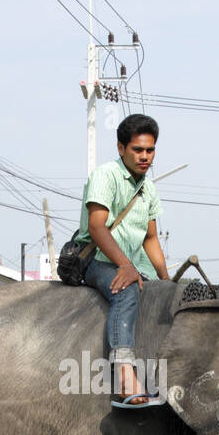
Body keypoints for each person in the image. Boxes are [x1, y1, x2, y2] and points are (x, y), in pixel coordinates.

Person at [76, 113, 169, 408]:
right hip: (97, 261)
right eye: (138, 150)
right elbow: (97, 227)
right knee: (126, 290)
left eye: (150, 150)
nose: (145, 157)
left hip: (134, 264)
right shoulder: (106, 176)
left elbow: (151, 239)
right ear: (121, 148)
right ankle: (124, 378)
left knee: (164, 297)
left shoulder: (149, 189)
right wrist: (125, 267)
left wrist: (166, 280)